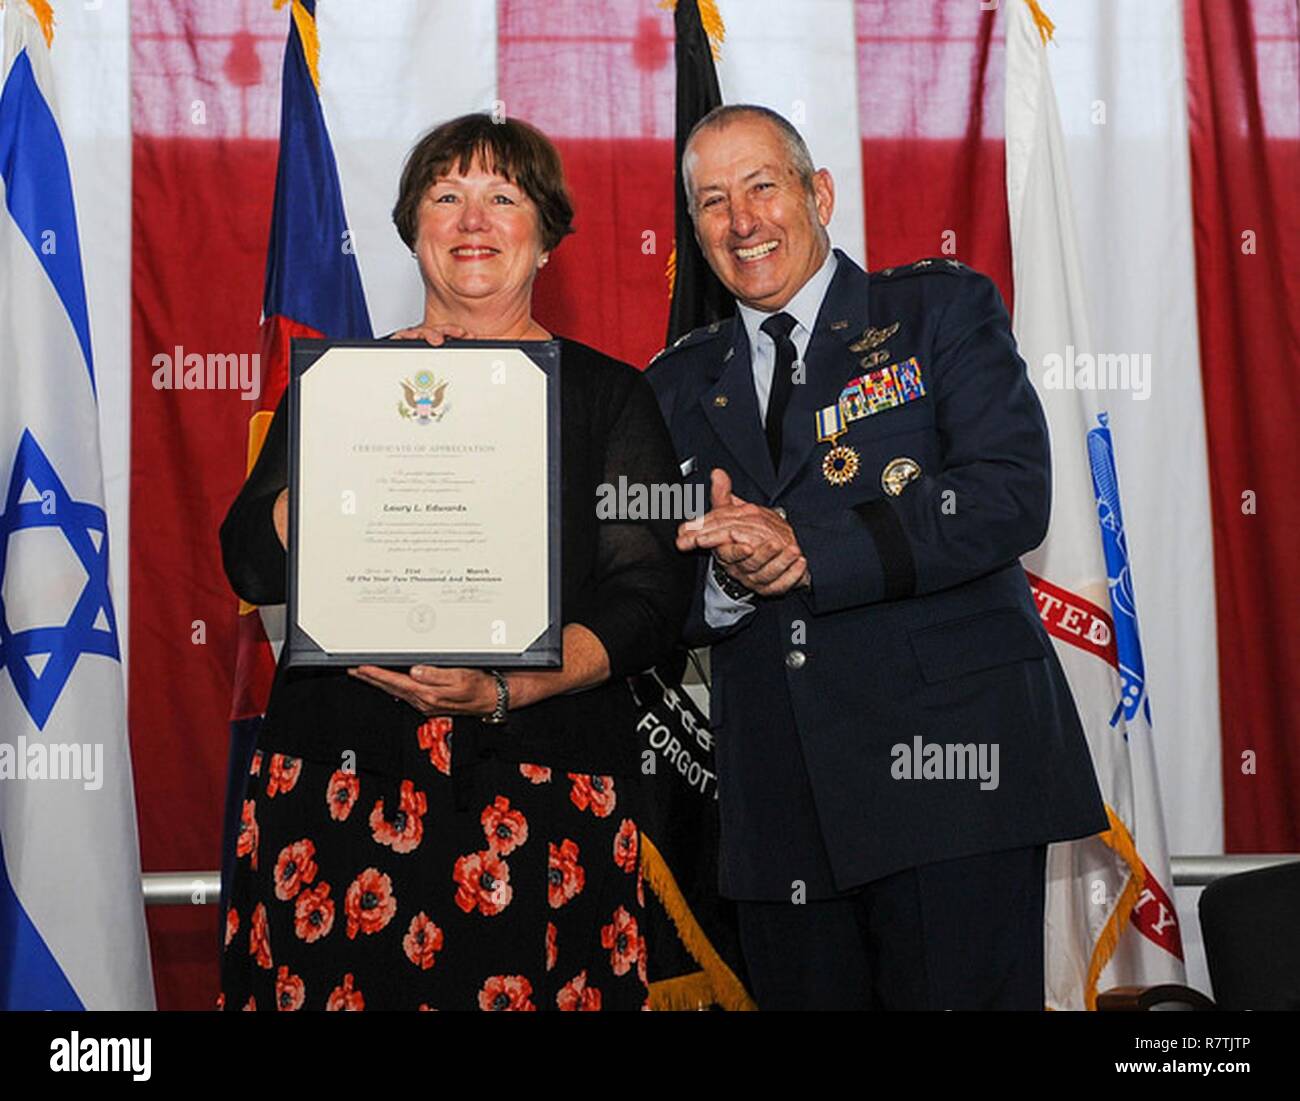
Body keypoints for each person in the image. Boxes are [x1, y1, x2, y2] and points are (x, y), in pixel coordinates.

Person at [218, 113, 691, 1011]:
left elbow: (651, 602)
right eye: (447, 197)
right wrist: (358, 428)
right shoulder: (339, 387)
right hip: (335, 788)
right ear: (413, 229)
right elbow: (249, 564)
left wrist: (511, 690)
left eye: (502, 198)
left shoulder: (610, 397)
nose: (473, 221)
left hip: (541, 791)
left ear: (546, 236)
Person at [647, 104, 1108, 1010]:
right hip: (778, 808)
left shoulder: (936, 310)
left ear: (818, 192)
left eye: (762, 187)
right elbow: (650, 581)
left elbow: (1008, 493)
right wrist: (728, 581)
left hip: (950, 780)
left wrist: (811, 550)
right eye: (712, 202)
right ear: (694, 230)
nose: (742, 221)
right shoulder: (672, 382)